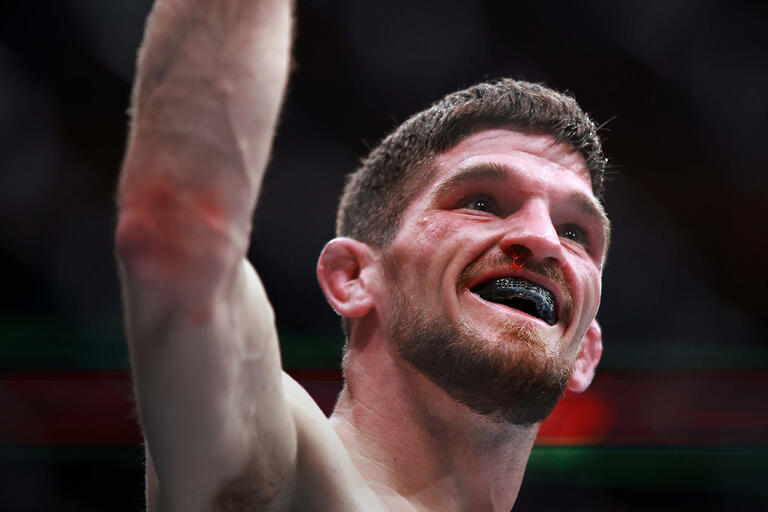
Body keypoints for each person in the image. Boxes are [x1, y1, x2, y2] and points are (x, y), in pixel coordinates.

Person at [115, 1, 610, 510]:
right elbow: (178, 239)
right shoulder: (279, 471)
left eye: (575, 232)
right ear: (352, 276)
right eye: (480, 203)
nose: (543, 238)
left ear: (586, 351)